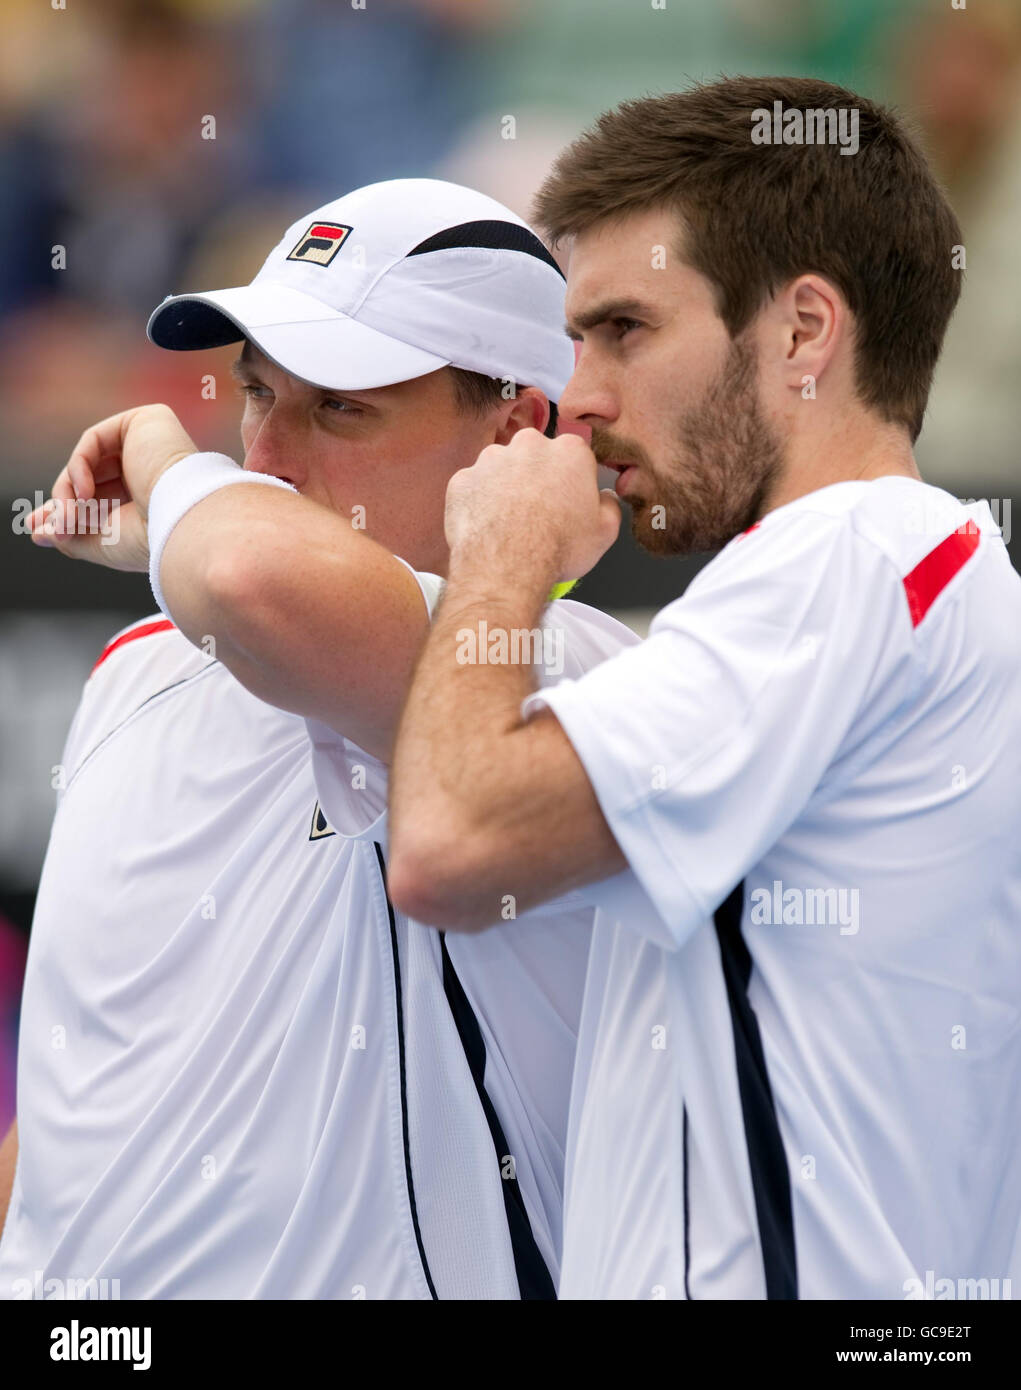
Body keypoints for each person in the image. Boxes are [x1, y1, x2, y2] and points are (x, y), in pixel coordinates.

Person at [386, 78, 1021, 1299]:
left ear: (801, 333)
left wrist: (505, 557)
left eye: (623, 329)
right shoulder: (937, 578)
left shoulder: (846, 558)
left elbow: (448, 845)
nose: (578, 399)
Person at [0, 178, 649, 1299]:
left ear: (515, 434)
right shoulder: (140, 668)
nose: (268, 456)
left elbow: (254, 574)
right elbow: (89, 1099)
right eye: (258, 396)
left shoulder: (556, 668)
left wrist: (166, 459)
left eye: (341, 408)